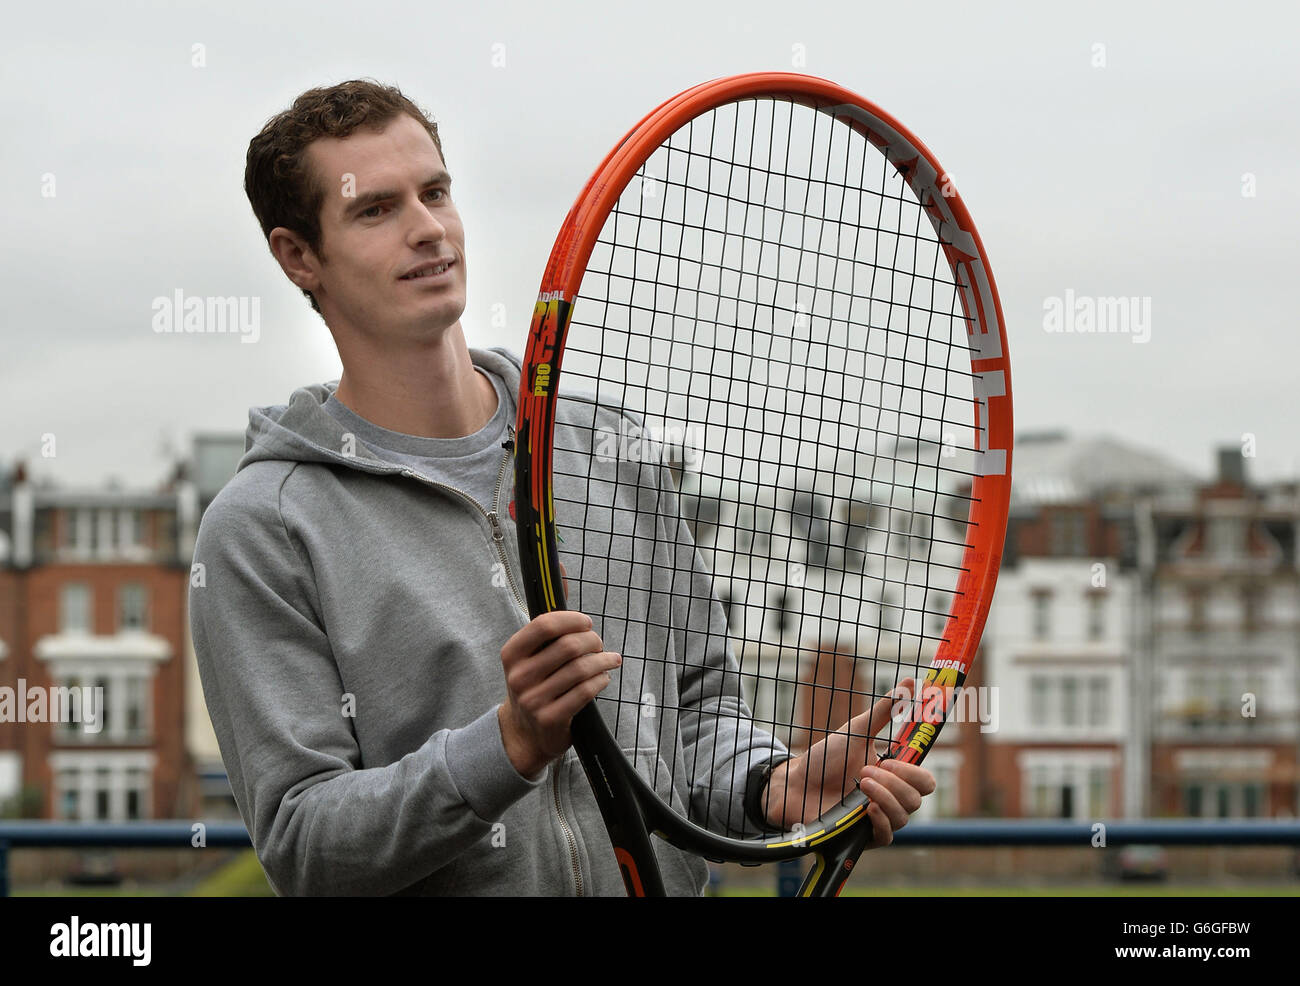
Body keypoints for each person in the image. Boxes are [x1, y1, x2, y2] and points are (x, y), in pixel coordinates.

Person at [189, 79, 935, 896]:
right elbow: (305, 844)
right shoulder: (262, 529)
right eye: (376, 210)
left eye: (435, 192)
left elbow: (696, 709)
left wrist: (768, 787)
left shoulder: (607, 448)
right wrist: (508, 746)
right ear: (299, 255)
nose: (428, 229)